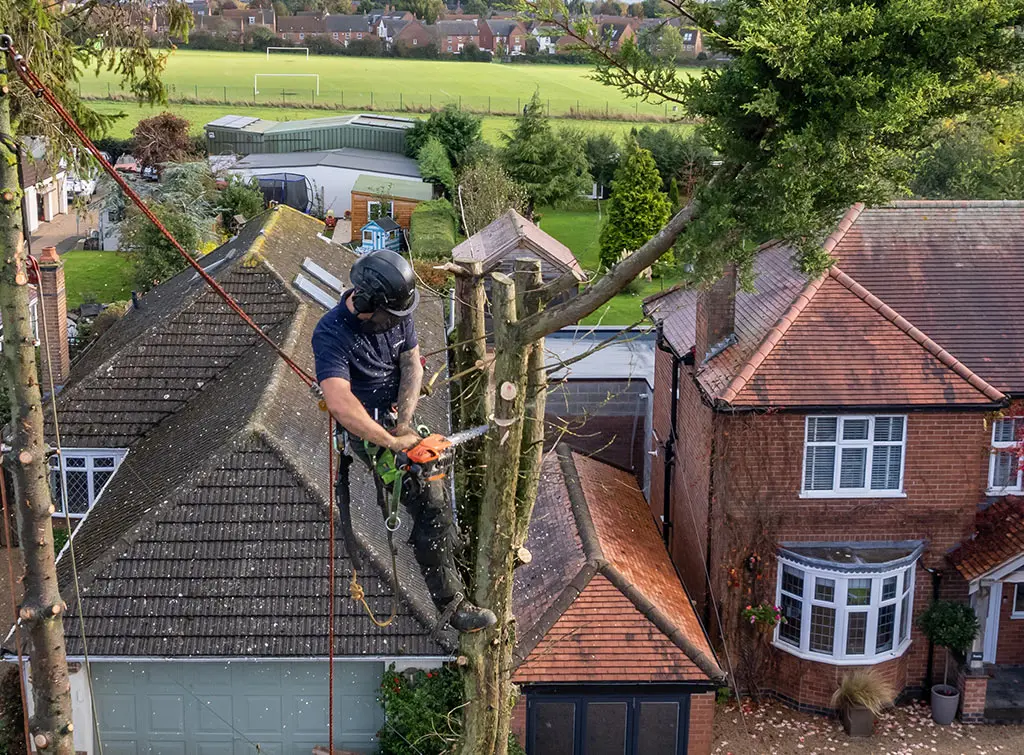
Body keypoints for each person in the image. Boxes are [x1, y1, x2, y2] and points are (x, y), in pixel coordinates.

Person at [312, 250, 496, 634]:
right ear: (365, 304)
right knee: (428, 499)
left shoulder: (396, 309)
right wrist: (394, 445)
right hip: (366, 428)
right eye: (391, 318)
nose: (398, 323)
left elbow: (412, 363)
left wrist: (406, 423)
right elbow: (341, 404)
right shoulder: (331, 334)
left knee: (438, 472)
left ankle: (449, 543)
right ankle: (451, 607)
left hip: (398, 418)